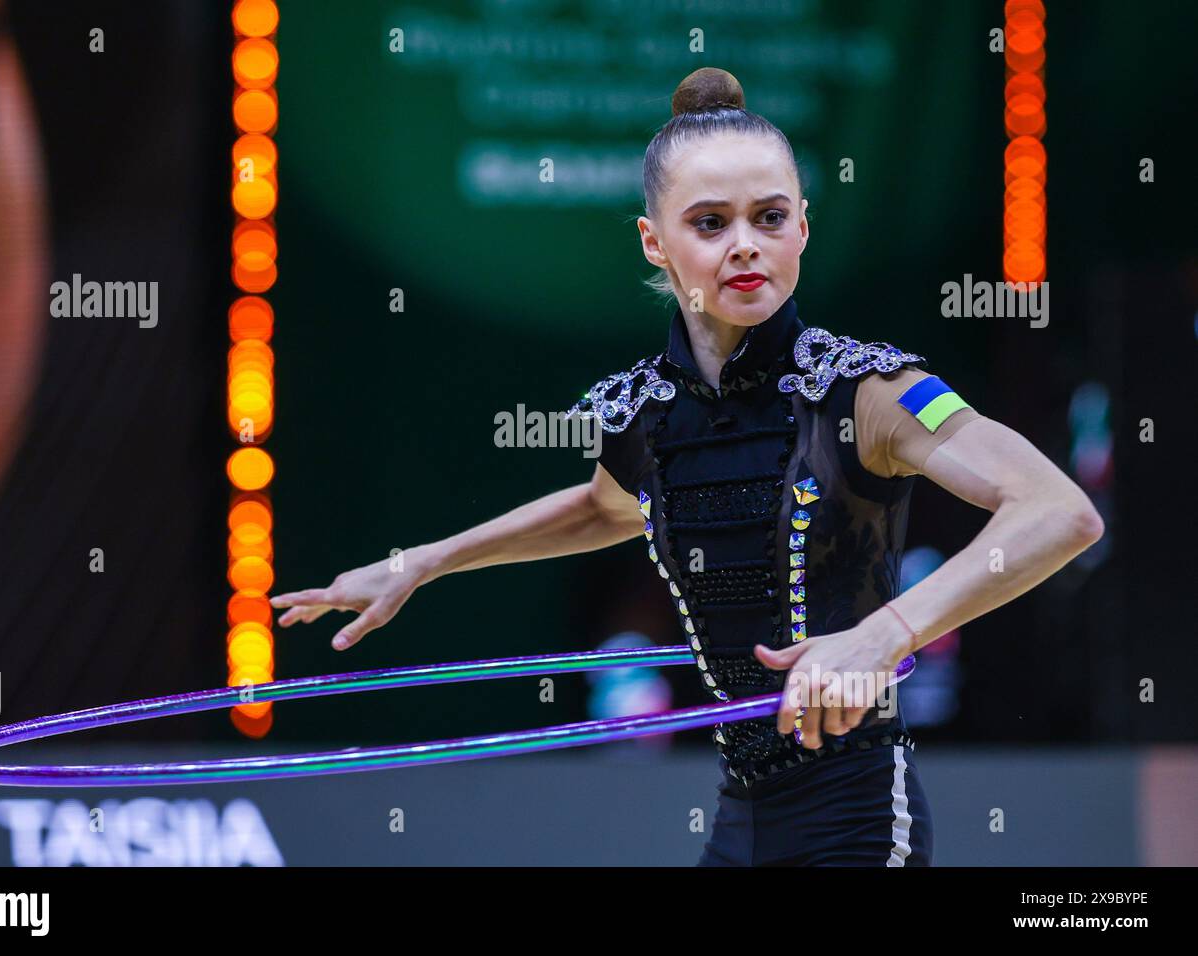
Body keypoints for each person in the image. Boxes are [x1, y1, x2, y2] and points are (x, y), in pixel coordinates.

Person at [270, 67, 1104, 866]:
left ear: (804, 227)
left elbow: (1058, 512)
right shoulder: (642, 415)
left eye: (770, 218)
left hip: (856, 818)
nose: (746, 246)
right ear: (655, 241)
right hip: (741, 819)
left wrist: (887, 634)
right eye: (710, 224)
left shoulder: (869, 392)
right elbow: (606, 508)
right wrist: (423, 562)